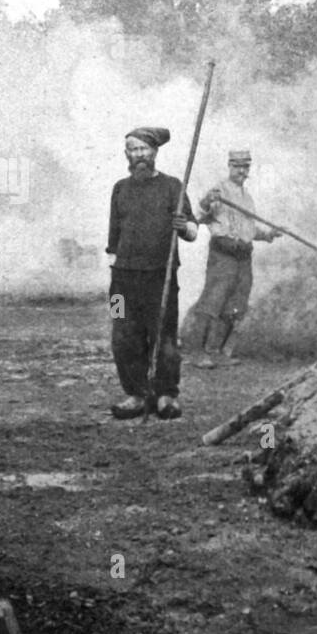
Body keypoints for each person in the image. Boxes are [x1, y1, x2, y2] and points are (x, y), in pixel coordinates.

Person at [106, 126, 197, 419]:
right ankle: (135, 394)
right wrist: (113, 275)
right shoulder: (120, 188)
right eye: (134, 150)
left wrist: (184, 227)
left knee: (164, 335)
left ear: (155, 152)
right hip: (121, 281)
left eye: (144, 149)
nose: (140, 155)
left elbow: (193, 231)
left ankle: (166, 396)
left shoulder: (172, 187)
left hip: (160, 276)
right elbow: (113, 239)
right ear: (127, 155)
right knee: (121, 334)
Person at [191, 149, 281, 368]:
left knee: (236, 305)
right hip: (223, 253)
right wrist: (206, 201)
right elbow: (199, 216)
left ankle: (218, 352)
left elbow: (248, 230)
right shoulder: (218, 191)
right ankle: (196, 353)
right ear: (229, 166)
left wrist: (268, 234)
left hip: (243, 255)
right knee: (213, 300)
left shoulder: (247, 198)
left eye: (245, 167)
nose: (242, 171)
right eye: (237, 166)